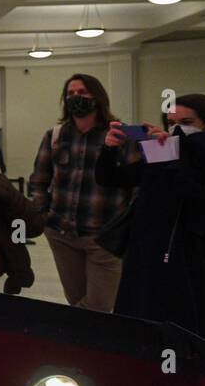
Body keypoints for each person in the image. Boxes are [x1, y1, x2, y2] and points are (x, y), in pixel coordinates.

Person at [95, 93, 205, 342]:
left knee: (184, 328)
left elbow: (194, 189)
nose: (177, 127)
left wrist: (178, 146)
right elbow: (111, 178)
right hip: (146, 251)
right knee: (139, 321)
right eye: (171, 122)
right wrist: (109, 148)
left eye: (187, 122)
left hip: (189, 255)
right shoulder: (166, 152)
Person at [28, 74, 133, 313]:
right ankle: (89, 348)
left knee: (99, 306)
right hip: (62, 233)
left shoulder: (120, 135)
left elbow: (136, 184)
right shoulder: (55, 136)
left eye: (83, 92)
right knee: (76, 301)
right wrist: (43, 215)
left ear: (98, 97)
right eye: (71, 93)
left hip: (104, 237)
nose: (76, 97)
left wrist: (127, 227)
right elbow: (40, 179)